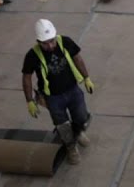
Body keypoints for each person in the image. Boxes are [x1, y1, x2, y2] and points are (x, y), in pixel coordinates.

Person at [22, 18, 95, 164]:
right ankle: (71, 147)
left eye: (52, 40)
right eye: (45, 43)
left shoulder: (65, 42)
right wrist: (29, 100)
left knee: (81, 117)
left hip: (73, 90)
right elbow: (27, 78)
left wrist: (86, 78)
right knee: (62, 125)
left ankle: (79, 131)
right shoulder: (32, 56)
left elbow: (78, 59)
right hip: (53, 98)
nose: (50, 45)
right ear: (38, 41)